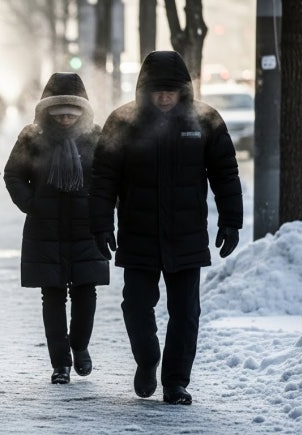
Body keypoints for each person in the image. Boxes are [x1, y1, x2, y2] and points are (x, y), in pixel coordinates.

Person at [89, 51, 243, 405]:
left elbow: (225, 173)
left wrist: (231, 220)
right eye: (157, 90)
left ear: (183, 90)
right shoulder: (122, 122)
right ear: (144, 90)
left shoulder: (205, 120)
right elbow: (103, 179)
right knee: (136, 306)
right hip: (138, 233)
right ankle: (147, 360)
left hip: (186, 235)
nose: (163, 97)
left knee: (186, 313)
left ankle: (175, 382)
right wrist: (100, 225)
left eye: (170, 91)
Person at [4, 72, 109, 385]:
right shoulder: (31, 137)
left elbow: (110, 178)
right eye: (59, 112)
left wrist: (100, 208)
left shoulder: (96, 136)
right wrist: (32, 203)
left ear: (83, 110)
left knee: (85, 293)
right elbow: (13, 175)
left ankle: (80, 346)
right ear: (47, 109)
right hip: (44, 229)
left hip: (86, 228)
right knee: (52, 297)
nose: (65, 118)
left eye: (72, 112)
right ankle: (60, 362)